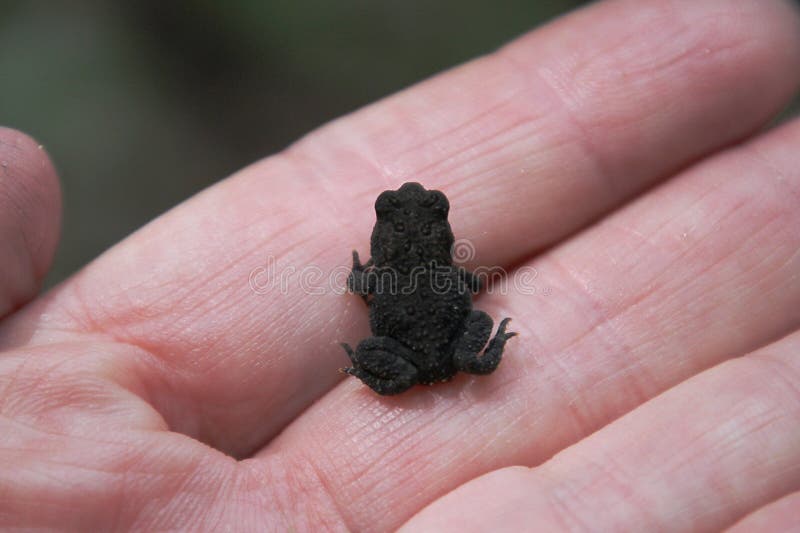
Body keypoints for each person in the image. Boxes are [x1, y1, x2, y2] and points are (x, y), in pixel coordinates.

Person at [1, 0, 799, 530]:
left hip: (402, 353)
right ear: (432, 232)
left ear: (396, 233)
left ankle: (452, 353)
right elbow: (450, 287)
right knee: (468, 320)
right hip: (442, 349)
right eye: (405, 211)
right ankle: (480, 351)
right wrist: (473, 338)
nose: (409, 210)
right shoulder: (434, 266)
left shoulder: (387, 268)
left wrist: (369, 324)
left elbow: (365, 286)